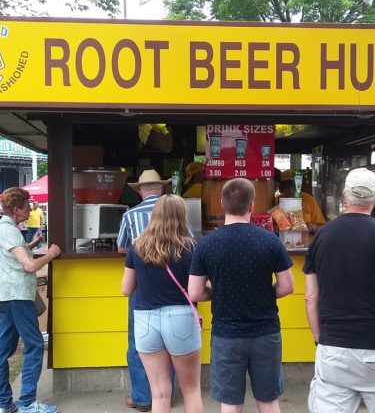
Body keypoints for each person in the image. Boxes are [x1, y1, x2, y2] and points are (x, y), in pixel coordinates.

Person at [303, 168, 375, 413]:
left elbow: (311, 297)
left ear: (345, 195)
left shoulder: (322, 236)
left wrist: (319, 338)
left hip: (335, 347)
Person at [188, 178, 294, 413]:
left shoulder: (206, 245)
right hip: (266, 332)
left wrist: (222, 292)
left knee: (231, 404)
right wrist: (263, 293)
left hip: (226, 335)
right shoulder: (270, 241)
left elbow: (194, 291)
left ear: (222, 204)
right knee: (267, 401)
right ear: (252, 206)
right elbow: (287, 286)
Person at [121, 194, 203, 413]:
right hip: (181, 318)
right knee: (191, 391)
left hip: (145, 321)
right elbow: (198, 291)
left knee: (159, 393)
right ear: (182, 216)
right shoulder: (192, 248)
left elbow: (126, 289)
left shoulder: (137, 247)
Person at [0, 187, 61, 413]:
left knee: (2, 350)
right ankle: (27, 403)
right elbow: (29, 266)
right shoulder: (10, 231)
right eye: (27, 206)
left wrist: (31, 245)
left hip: (0, 297)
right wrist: (51, 254)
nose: (30, 209)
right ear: (16, 209)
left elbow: (9, 256)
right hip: (16, 296)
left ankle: (4, 404)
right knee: (34, 344)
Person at [117, 169, 172, 412]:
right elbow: (191, 244)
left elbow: (121, 249)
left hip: (141, 284)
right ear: (161, 189)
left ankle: (142, 398)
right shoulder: (176, 215)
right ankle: (166, 397)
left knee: (139, 341)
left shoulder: (130, 215)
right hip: (174, 286)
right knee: (172, 342)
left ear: (140, 191)